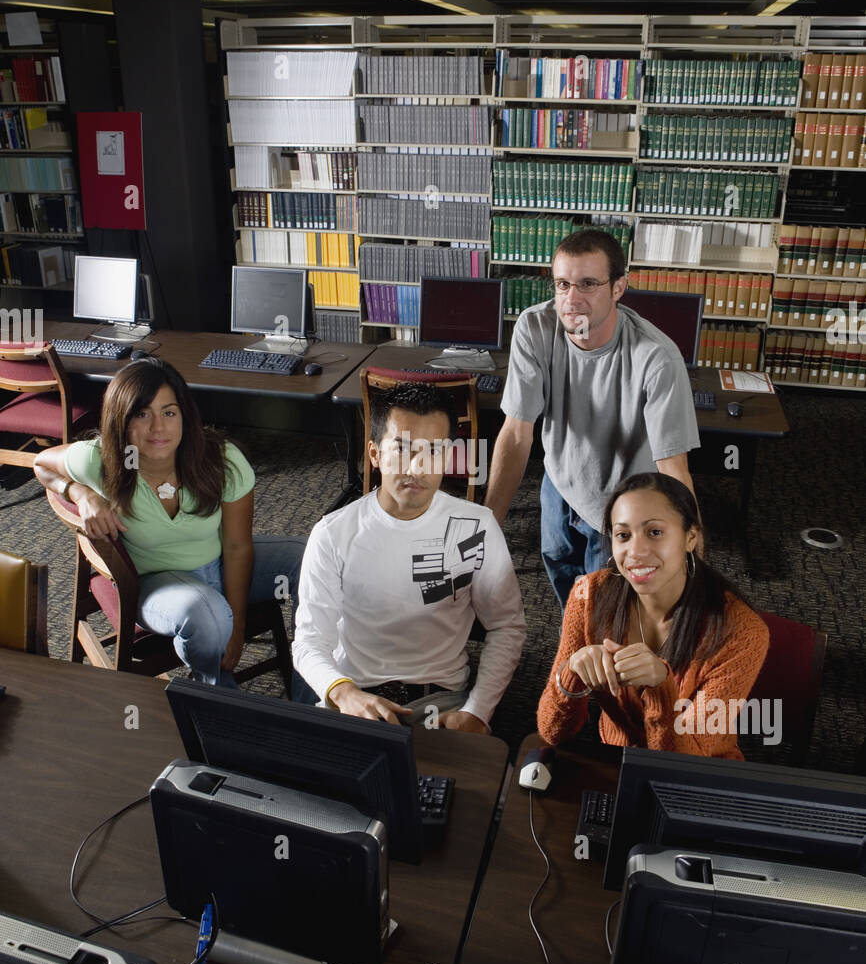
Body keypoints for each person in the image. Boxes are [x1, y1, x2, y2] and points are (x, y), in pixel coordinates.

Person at [33, 356, 308, 689]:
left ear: (184, 416)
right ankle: (214, 690)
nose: (158, 428)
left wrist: (237, 626)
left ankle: (312, 692)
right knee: (207, 616)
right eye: (142, 414)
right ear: (121, 420)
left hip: (220, 562)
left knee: (312, 560)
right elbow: (41, 464)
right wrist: (80, 494)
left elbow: (237, 546)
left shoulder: (222, 460)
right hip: (155, 584)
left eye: (169, 412)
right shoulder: (98, 459)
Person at [483, 228, 702, 610]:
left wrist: (694, 561)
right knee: (562, 573)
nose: (571, 300)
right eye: (563, 284)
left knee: (607, 602)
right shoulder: (534, 328)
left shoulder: (656, 358)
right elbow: (517, 436)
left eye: (587, 284)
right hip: (560, 481)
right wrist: (488, 528)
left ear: (618, 287)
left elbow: (674, 469)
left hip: (622, 500)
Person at [292, 381, 526, 733]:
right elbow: (309, 641)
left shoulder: (476, 526)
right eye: (402, 449)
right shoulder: (333, 533)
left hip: (441, 701)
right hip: (357, 694)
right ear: (374, 454)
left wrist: (477, 711)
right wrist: (343, 693)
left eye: (433, 451)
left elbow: (507, 625)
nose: (417, 467)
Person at [537, 473, 769, 759]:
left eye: (655, 532)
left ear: (691, 538)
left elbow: (684, 764)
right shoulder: (588, 595)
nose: (635, 552)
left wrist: (661, 688)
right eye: (623, 535)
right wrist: (571, 673)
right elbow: (551, 732)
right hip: (616, 761)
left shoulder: (742, 632)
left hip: (700, 771)